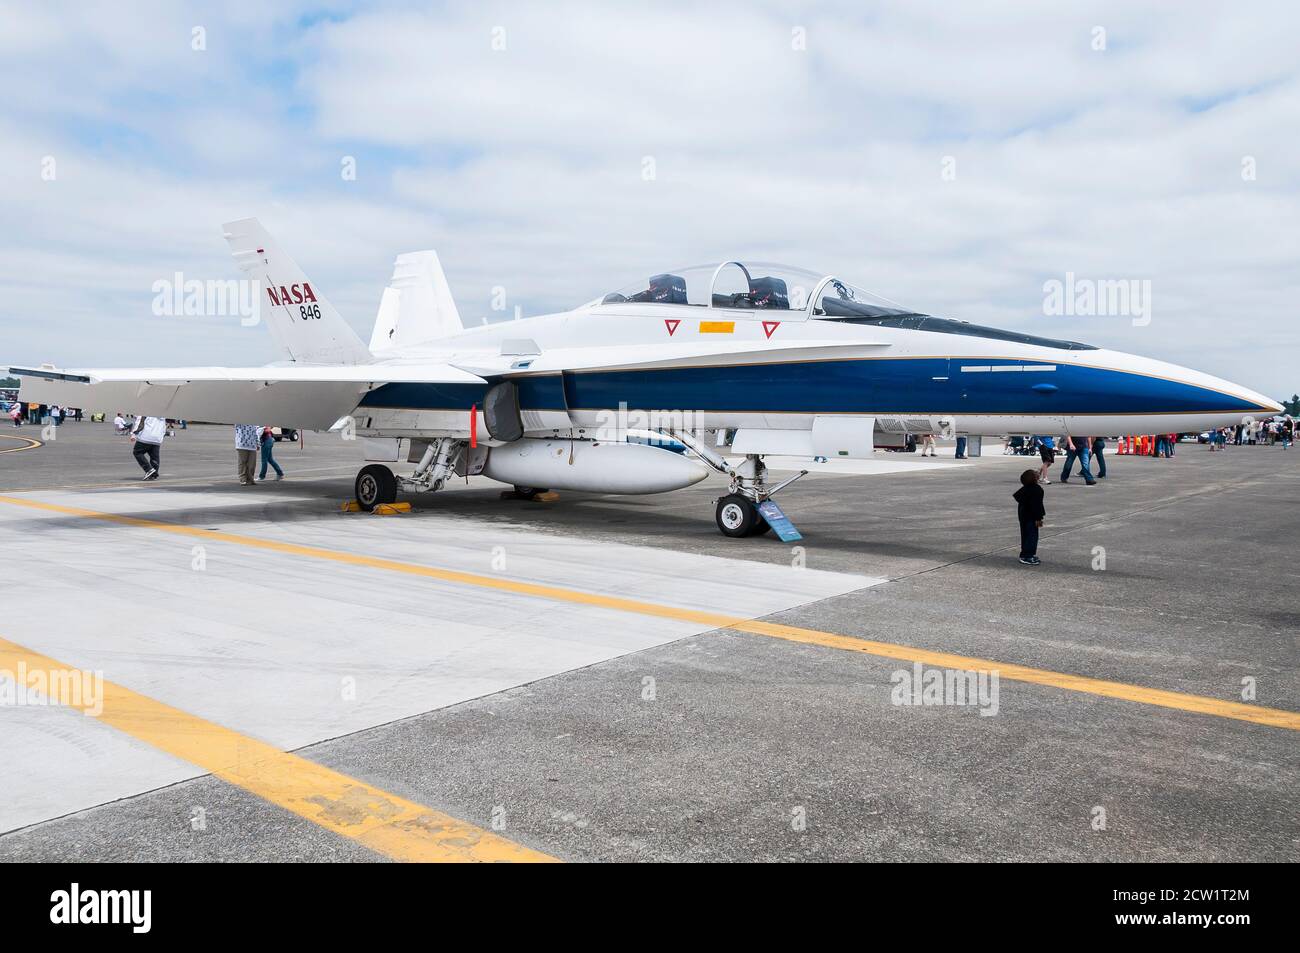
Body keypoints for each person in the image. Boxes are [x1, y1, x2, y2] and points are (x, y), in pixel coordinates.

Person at [1014, 469, 1046, 566]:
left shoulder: (1025, 488)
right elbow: (1037, 506)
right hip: (1032, 517)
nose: (1038, 473)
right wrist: (1039, 518)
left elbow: (1018, 497)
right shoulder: (1037, 490)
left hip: (1023, 515)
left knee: (1025, 535)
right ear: (1035, 478)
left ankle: (1025, 554)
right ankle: (1027, 555)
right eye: (1036, 473)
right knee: (1032, 536)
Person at [130, 415, 166, 479]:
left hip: (145, 436)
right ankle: (154, 474)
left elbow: (140, 423)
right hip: (157, 438)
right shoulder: (162, 415)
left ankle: (149, 469)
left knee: (137, 452)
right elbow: (164, 427)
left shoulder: (145, 412)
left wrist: (134, 434)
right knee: (154, 456)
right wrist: (161, 437)